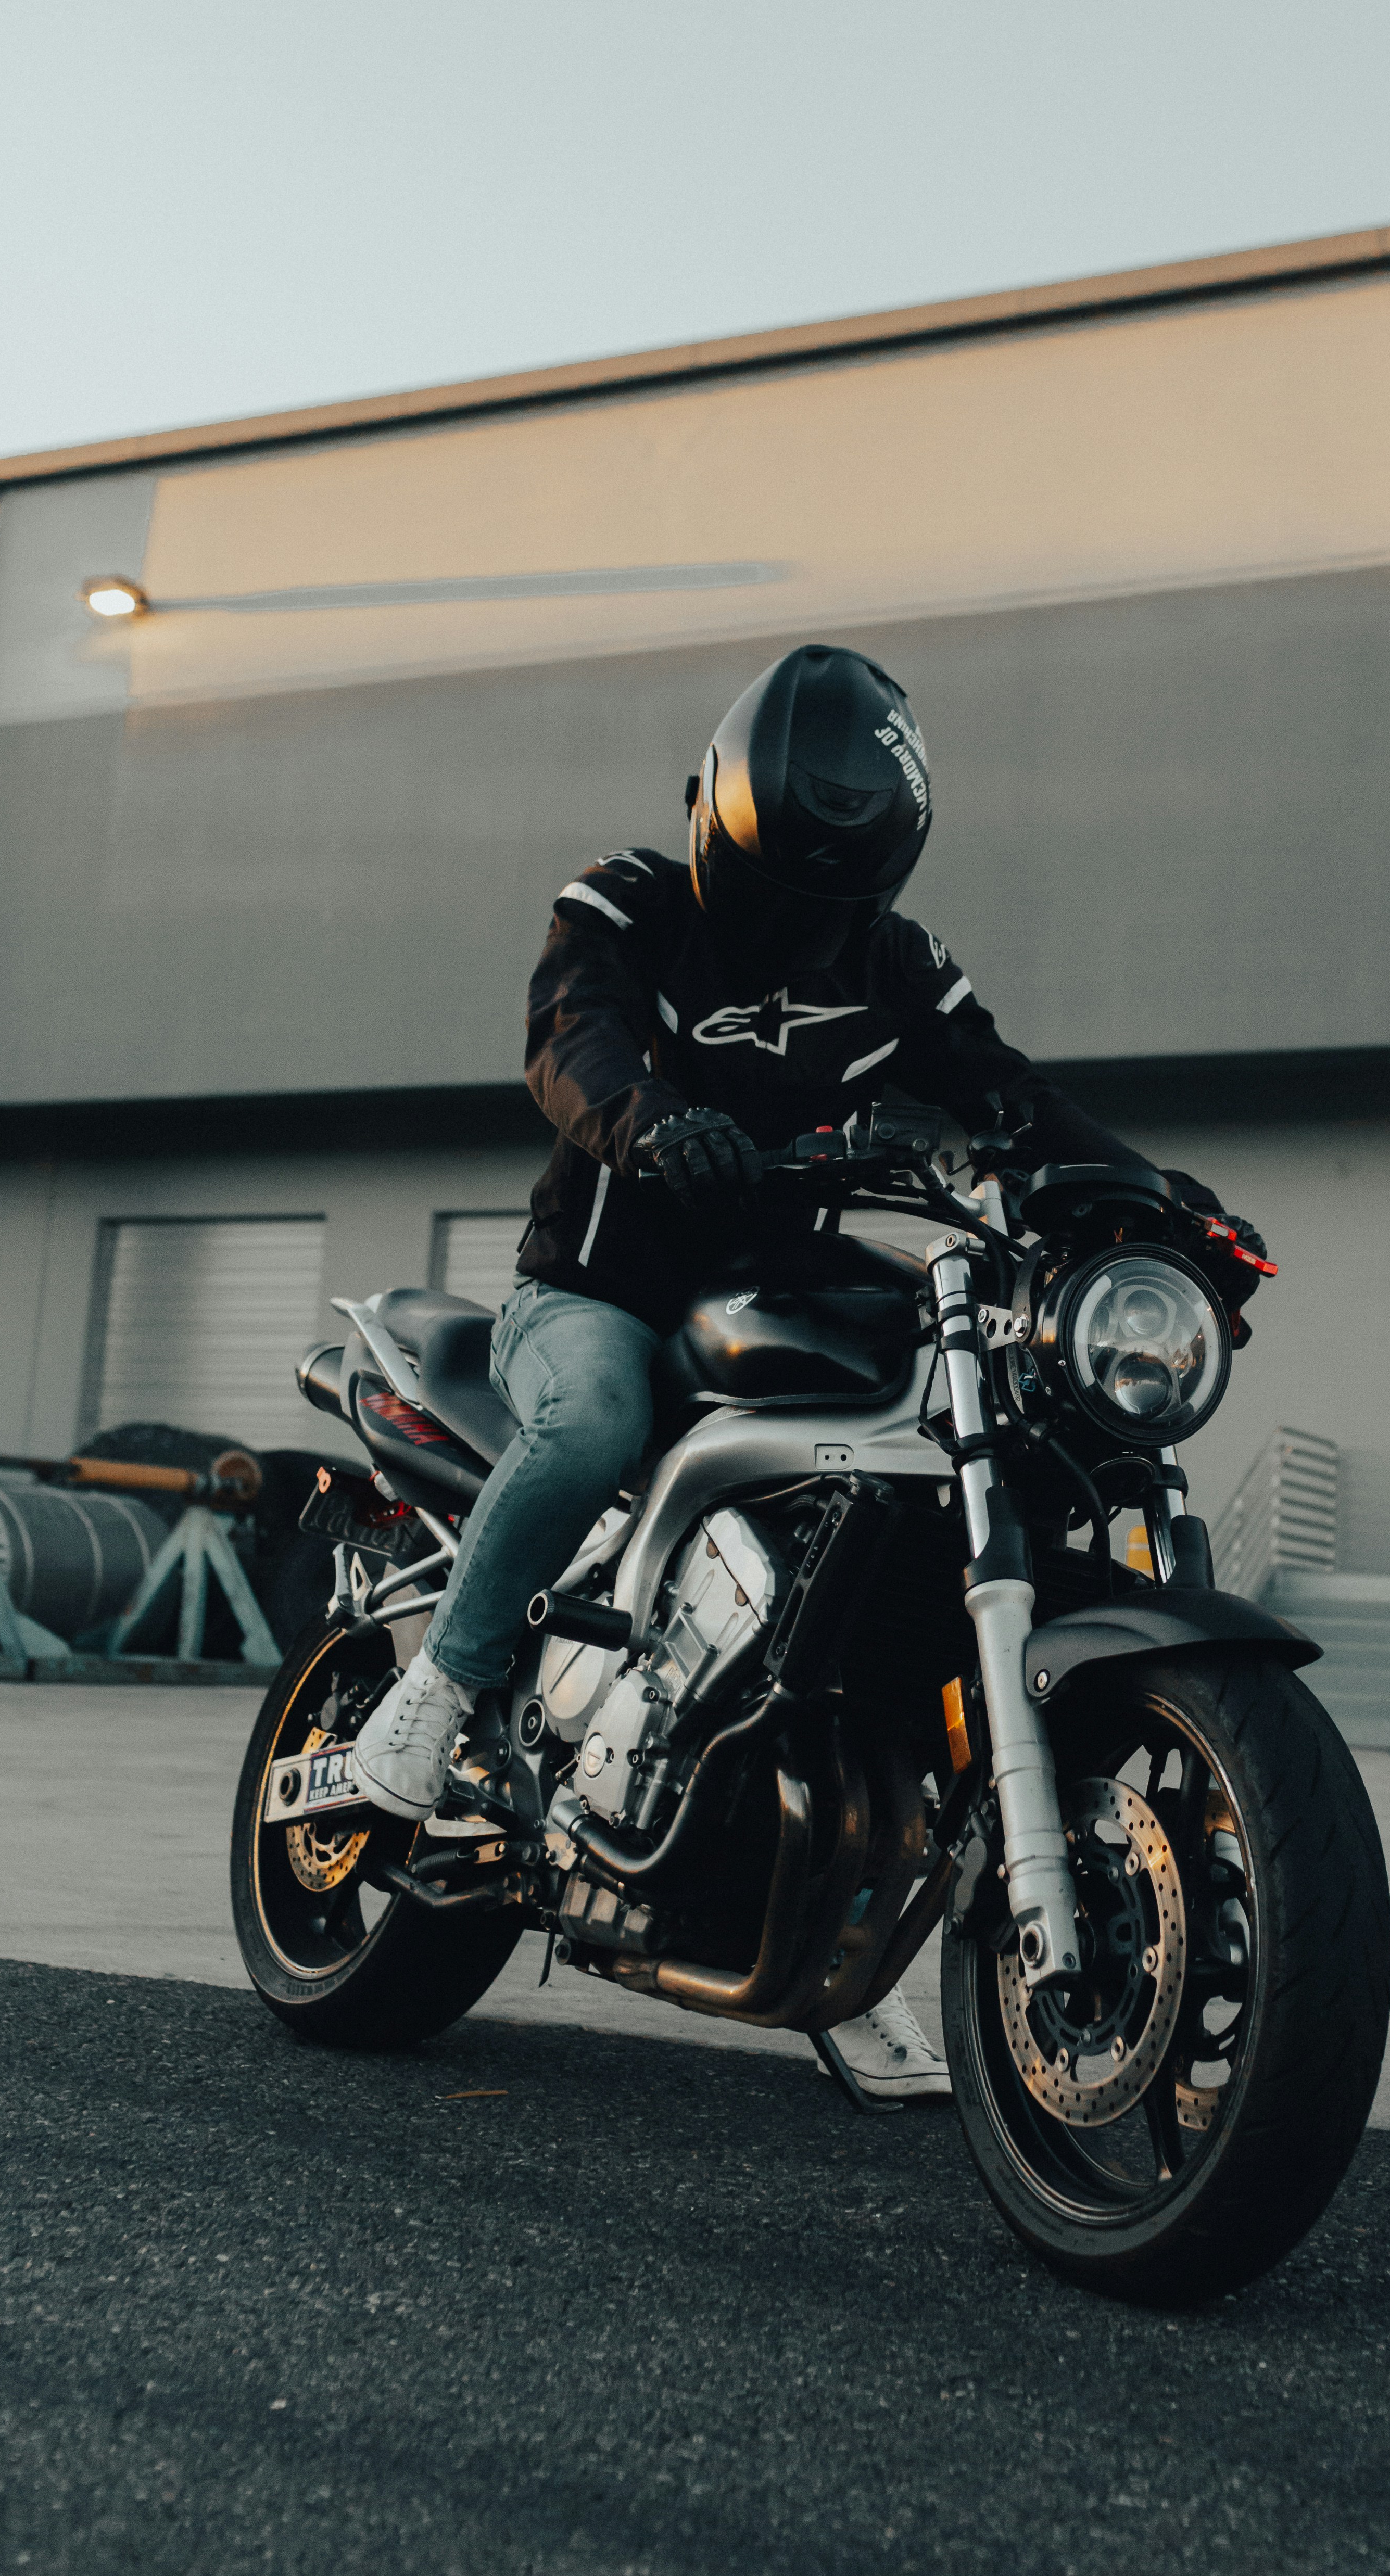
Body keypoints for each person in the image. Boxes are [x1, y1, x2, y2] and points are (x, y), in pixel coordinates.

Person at [353, 644, 1263, 2098]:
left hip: (763, 1291)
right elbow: (571, 1031)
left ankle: (835, 1946)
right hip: (595, 1292)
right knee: (593, 1425)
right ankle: (443, 1693)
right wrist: (647, 1120)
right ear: (717, 815)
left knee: (892, 1548)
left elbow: (1011, 1097)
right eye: (771, 884)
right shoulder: (628, 902)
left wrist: (1158, 1200)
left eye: (827, 901)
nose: (797, 925)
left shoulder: (895, 969)